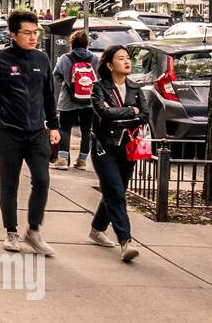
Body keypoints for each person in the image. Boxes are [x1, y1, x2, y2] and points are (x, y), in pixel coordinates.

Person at [0, 9, 60, 255]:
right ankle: (11, 232)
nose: (33, 38)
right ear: (13, 34)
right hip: (9, 133)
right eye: (27, 33)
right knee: (9, 183)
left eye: (35, 33)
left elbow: (49, 96)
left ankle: (33, 230)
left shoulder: (42, 60)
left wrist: (54, 126)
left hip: (37, 133)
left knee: (42, 180)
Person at [90, 44, 147, 262]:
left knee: (116, 191)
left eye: (128, 58)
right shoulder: (99, 87)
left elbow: (145, 115)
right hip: (104, 147)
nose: (127, 61)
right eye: (121, 58)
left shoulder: (135, 88)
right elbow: (103, 113)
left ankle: (96, 229)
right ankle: (126, 242)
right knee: (115, 192)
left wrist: (120, 114)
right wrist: (130, 111)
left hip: (127, 147)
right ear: (109, 64)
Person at [52, 28, 96, 170]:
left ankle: (63, 160)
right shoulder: (94, 58)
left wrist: (68, 82)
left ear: (71, 43)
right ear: (87, 44)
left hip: (68, 100)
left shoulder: (65, 58)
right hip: (89, 100)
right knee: (86, 130)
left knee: (64, 129)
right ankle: (82, 161)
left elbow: (56, 75)